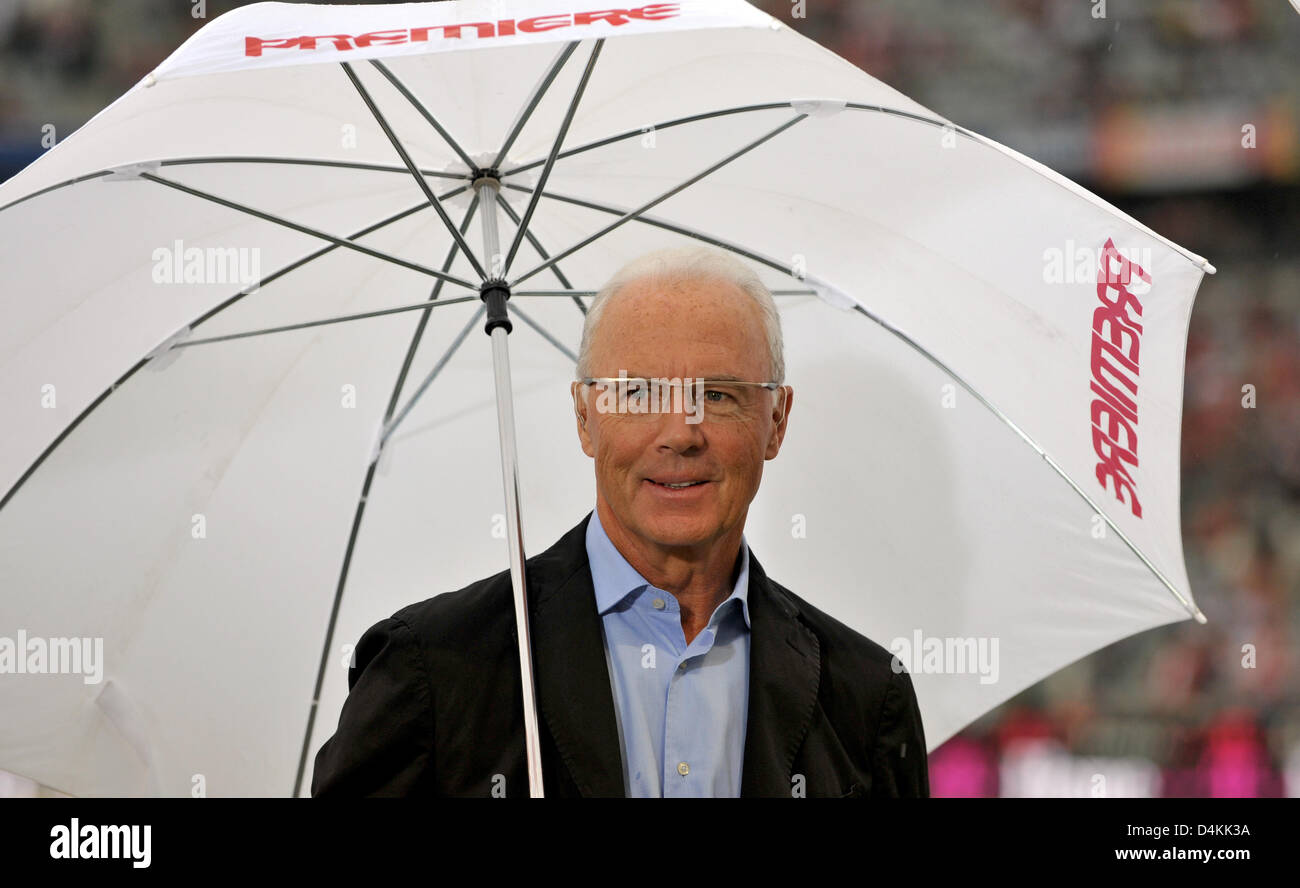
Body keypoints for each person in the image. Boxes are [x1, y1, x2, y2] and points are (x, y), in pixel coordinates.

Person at [311, 244, 929, 797]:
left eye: (716, 394)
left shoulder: (868, 699)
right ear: (585, 417)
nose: (681, 434)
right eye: (638, 394)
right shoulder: (431, 670)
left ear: (778, 419)